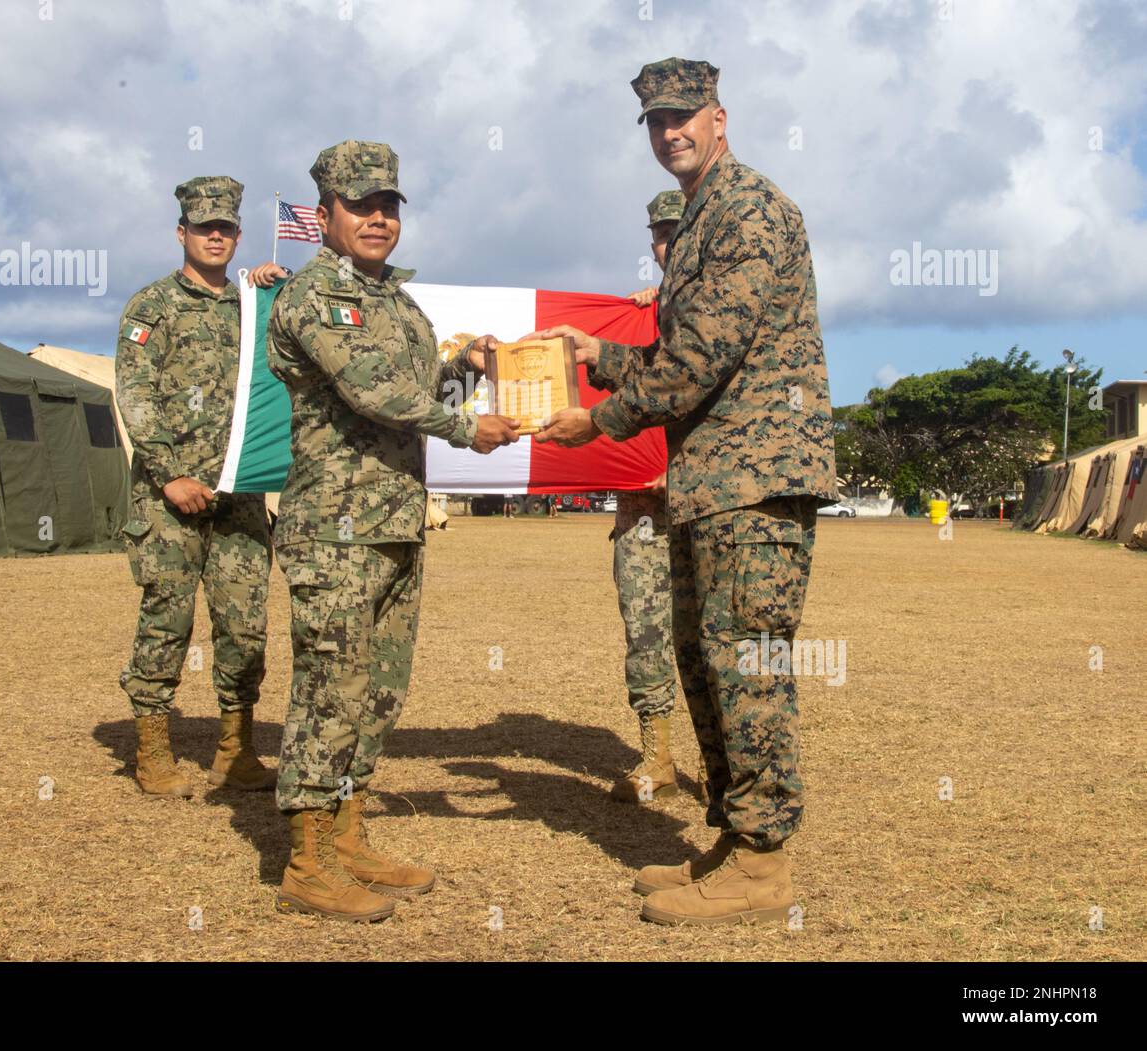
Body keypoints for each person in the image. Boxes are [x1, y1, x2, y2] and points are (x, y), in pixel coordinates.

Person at [531, 58, 837, 925]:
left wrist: (599, 420)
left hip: (758, 478)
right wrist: (601, 357)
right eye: (657, 121)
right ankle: (738, 842)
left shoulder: (747, 209)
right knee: (708, 662)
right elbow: (682, 355)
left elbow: (701, 359)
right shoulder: (701, 215)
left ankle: (765, 863)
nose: (671, 132)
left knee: (749, 665)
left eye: (684, 116)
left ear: (720, 116)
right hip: (717, 478)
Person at [267, 139, 519, 922]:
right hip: (333, 529)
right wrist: (463, 424)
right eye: (359, 205)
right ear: (326, 214)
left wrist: (470, 368)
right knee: (330, 689)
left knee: (379, 691)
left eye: (388, 206)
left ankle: (349, 834)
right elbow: (372, 390)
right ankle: (307, 861)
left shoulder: (402, 306)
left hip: (396, 522)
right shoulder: (312, 297)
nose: (377, 218)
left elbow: (419, 387)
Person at [115, 176, 274, 799]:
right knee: (166, 620)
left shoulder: (252, 307)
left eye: (226, 228)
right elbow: (135, 394)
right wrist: (169, 474)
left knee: (245, 627)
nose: (216, 236)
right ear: (182, 233)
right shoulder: (151, 306)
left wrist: (270, 292)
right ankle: (153, 749)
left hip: (240, 499)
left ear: (237, 235)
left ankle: (236, 750)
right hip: (168, 501)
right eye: (204, 226)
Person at [610, 189, 686, 803]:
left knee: (717, 635)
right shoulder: (639, 315)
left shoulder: (716, 306)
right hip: (640, 514)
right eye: (658, 235)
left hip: (706, 505)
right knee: (646, 632)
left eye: (677, 232)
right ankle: (657, 754)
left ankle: (726, 761)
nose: (666, 245)